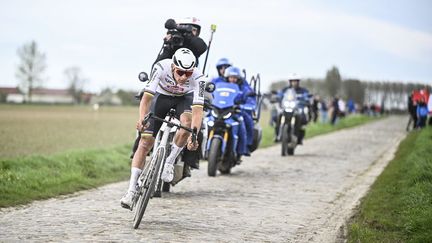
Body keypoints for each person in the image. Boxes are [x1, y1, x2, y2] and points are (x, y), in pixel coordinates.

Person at [120, 48, 206, 209]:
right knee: (145, 142)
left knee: (186, 123)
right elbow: (146, 98)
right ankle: (131, 191)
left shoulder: (199, 78)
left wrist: (193, 136)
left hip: (184, 98)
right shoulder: (161, 67)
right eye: (180, 72)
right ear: (173, 67)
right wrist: (142, 119)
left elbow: (198, 110)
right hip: (161, 96)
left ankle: (169, 162)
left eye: (188, 74)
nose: (183, 77)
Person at [130, 17, 208, 161]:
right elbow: (156, 65)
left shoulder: (196, 44)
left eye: (193, 29)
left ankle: (190, 161)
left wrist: (187, 35)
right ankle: (138, 149)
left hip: (188, 90)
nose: (189, 31)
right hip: (164, 86)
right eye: (185, 27)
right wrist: (168, 43)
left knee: (197, 121)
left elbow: (202, 47)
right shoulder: (172, 40)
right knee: (146, 120)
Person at [213, 66, 256, 156]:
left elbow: (250, 99)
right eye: (231, 77)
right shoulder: (220, 86)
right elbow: (214, 96)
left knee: (244, 124)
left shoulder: (243, 88)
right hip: (221, 111)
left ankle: (243, 149)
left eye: (235, 78)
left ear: (239, 79)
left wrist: (246, 105)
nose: (232, 79)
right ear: (227, 77)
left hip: (236, 112)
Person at [277, 74, 311, 144]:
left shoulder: (303, 90)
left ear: (298, 82)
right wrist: (276, 97)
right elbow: (279, 95)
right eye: (292, 81)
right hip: (287, 108)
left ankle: (298, 137)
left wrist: (307, 99)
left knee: (302, 118)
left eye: (296, 81)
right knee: (278, 116)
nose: (294, 83)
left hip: (297, 109)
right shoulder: (285, 90)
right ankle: (278, 134)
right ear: (290, 82)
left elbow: (307, 96)